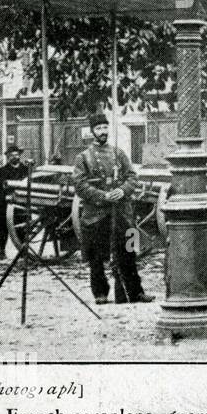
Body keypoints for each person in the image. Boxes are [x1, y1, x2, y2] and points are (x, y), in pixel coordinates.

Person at [73, 113, 150, 305]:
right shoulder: (83, 157)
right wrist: (103, 196)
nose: (103, 132)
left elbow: (132, 176)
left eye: (105, 127)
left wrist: (122, 191)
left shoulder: (119, 153)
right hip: (96, 214)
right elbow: (80, 185)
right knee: (96, 256)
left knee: (129, 251)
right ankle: (100, 293)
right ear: (92, 132)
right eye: (98, 128)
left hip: (123, 213)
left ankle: (135, 292)